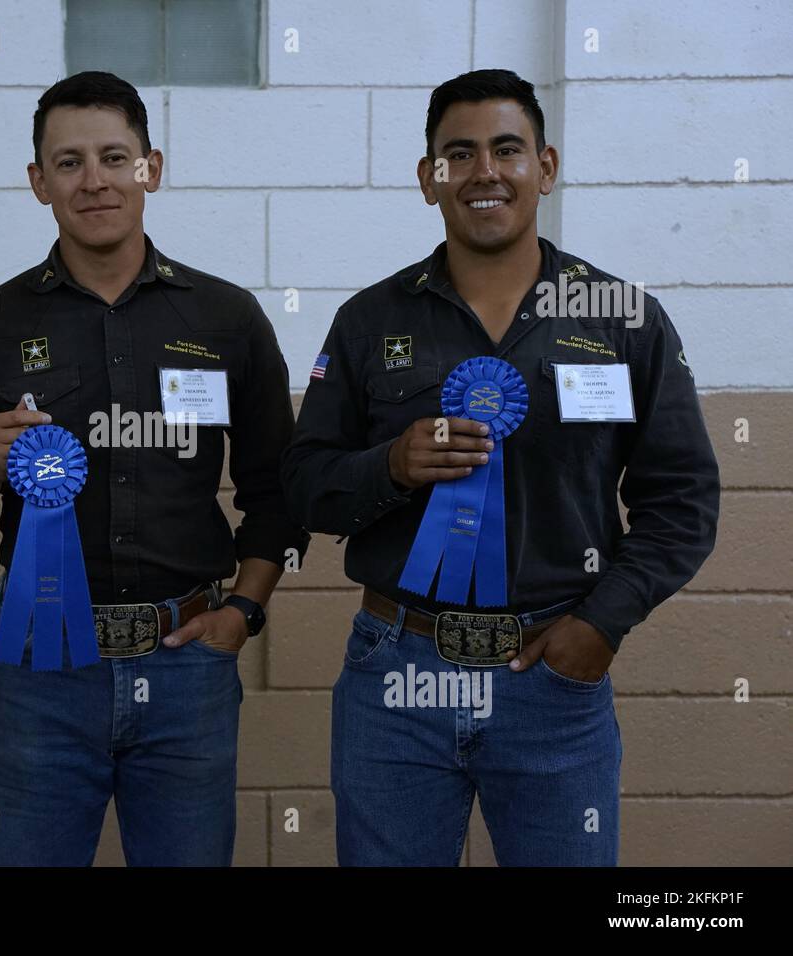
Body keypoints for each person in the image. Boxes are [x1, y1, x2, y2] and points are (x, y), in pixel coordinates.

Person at [281, 69, 720, 866]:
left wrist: (601, 625)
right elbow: (306, 486)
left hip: (552, 677)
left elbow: (683, 501)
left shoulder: (623, 319)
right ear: (429, 179)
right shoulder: (368, 320)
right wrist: (392, 466)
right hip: (395, 676)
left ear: (544, 168)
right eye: (459, 153)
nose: (484, 171)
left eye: (507, 149)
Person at [0, 71, 308, 866]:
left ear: (150, 169)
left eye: (113, 157)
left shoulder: (227, 317)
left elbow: (279, 493)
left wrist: (242, 616)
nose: (93, 180)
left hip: (187, 669)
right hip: (41, 673)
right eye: (68, 162)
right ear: (38, 182)